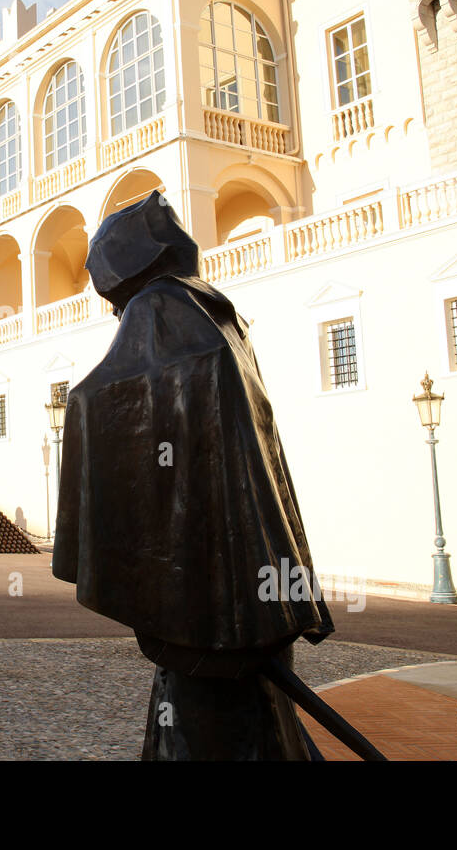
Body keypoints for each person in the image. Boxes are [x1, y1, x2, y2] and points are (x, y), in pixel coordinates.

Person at [52, 191, 334, 760]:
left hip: (208, 612)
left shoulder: (158, 309)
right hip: (250, 591)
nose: (110, 307)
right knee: (254, 729)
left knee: (210, 734)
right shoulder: (212, 307)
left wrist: (79, 412)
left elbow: (112, 393)